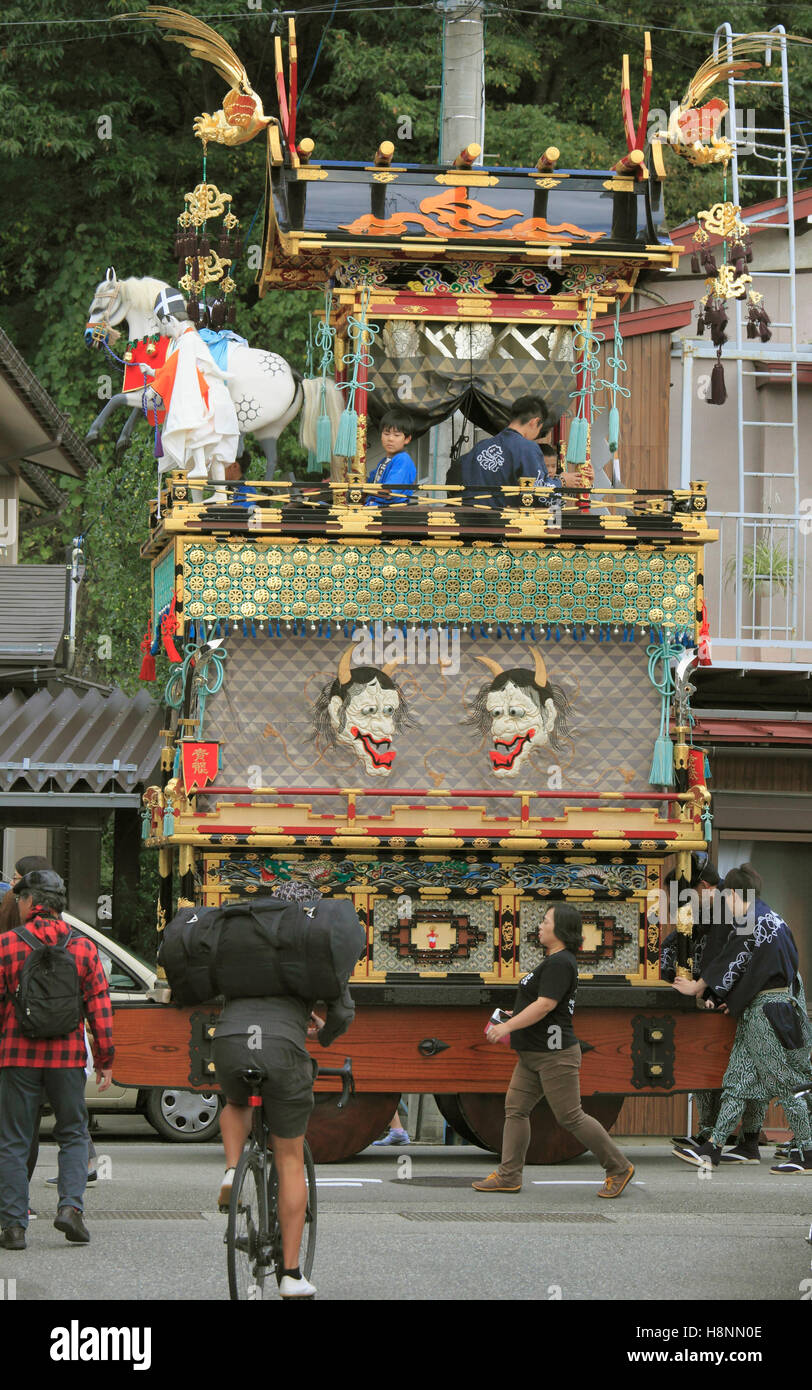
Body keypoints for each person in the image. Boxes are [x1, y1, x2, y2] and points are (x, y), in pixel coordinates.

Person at [212, 879, 357, 1299]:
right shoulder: (313, 945)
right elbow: (341, 1010)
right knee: (291, 1157)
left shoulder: (243, 936)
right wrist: (321, 1032)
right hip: (282, 1045)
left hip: (231, 1039)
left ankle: (232, 1170)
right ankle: (290, 1275)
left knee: (236, 1099)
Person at [472, 903, 635, 1198]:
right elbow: (540, 1002)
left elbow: (546, 1005)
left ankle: (619, 1167)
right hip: (534, 1053)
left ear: (560, 930)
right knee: (516, 1109)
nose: (540, 925)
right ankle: (509, 1176)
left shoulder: (561, 962)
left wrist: (507, 1027)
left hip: (554, 1053)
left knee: (570, 1116)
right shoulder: (553, 961)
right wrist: (516, 1013)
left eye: (545, 921)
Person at [671, 864, 812, 1174]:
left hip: (767, 1011)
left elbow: (732, 959)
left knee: (784, 1081)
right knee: (735, 1080)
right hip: (770, 1006)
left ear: (733, 894)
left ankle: (808, 1150)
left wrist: (697, 986)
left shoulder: (751, 920)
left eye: (726, 899)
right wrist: (735, 999)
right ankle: (714, 1147)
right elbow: (755, 966)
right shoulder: (772, 917)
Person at [0, 869, 113, 1250]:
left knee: (14, 1140)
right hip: (67, 1057)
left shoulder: (6, 945)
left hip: (17, 1056)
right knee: (73, 1133)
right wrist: (105, 1058)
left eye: (20, 898)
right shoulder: (82, 948)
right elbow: (99, 1005)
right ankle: (70, 1209)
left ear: (32, 902)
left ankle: (14, 1227)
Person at [458, 395, 593, 508]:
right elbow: (541, 497)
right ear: (535, 422)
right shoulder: (527, 448)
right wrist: (563, 482)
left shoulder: (481, 446)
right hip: (499, 524)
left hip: (468, 519)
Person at [366, 408, 416, 505]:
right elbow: (371, 483)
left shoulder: (402, 460)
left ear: (407, 439)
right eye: (386, 434)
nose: (390, 439)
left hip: (388, 512)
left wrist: (361, 488)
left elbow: (388, 493)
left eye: (396, 435)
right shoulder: (385, 460)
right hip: (374, 508)